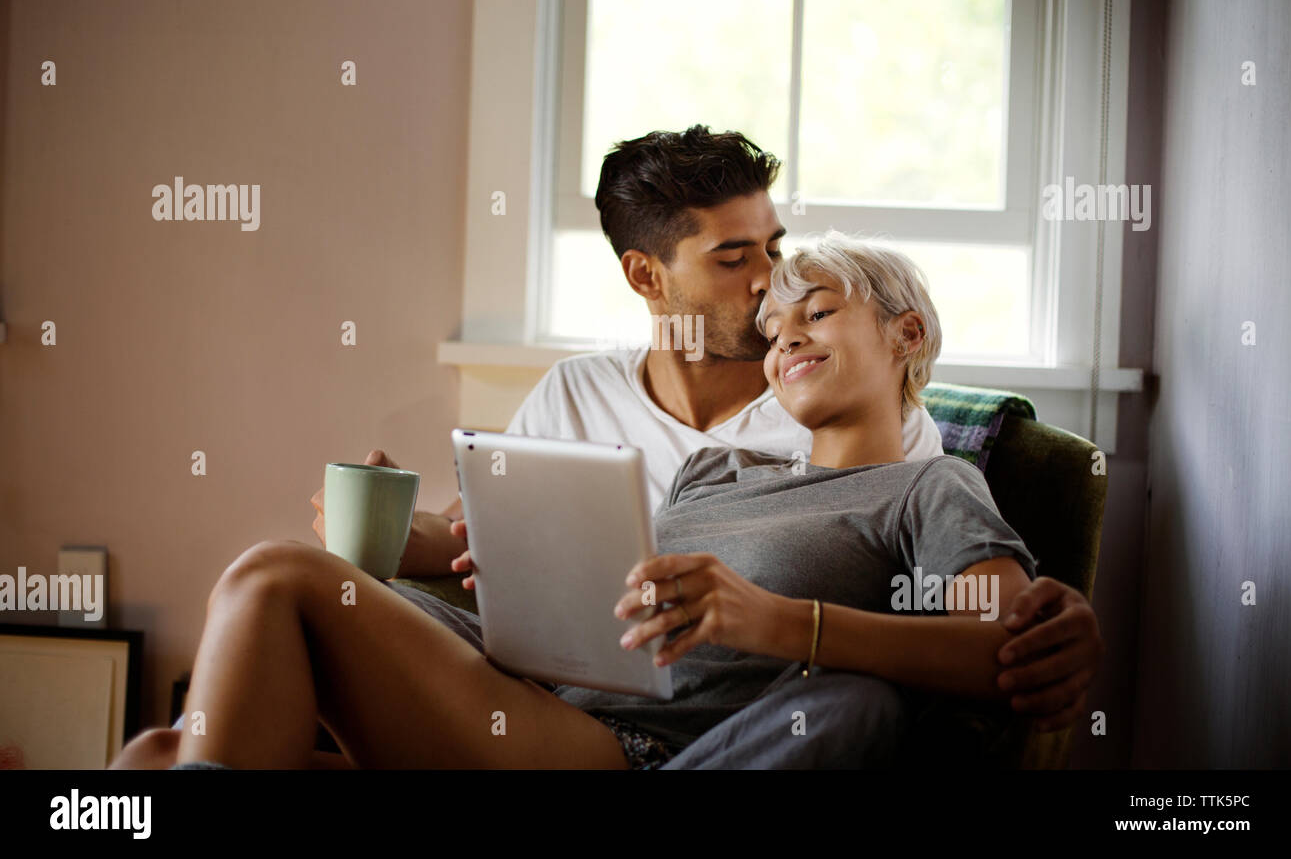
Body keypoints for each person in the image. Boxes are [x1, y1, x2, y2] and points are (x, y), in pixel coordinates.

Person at [109, 126, 1102, 769]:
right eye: (742, 267)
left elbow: (992, 639)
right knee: (164, 743)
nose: (772, 305)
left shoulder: (928, 474)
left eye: (806, 295)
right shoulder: (718, 467)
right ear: (646, 276)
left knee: (277, 578)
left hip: (613, 742)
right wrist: (423, 543)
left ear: (905, 337)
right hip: (530, 683)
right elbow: (554, 574)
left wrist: (781, 620)